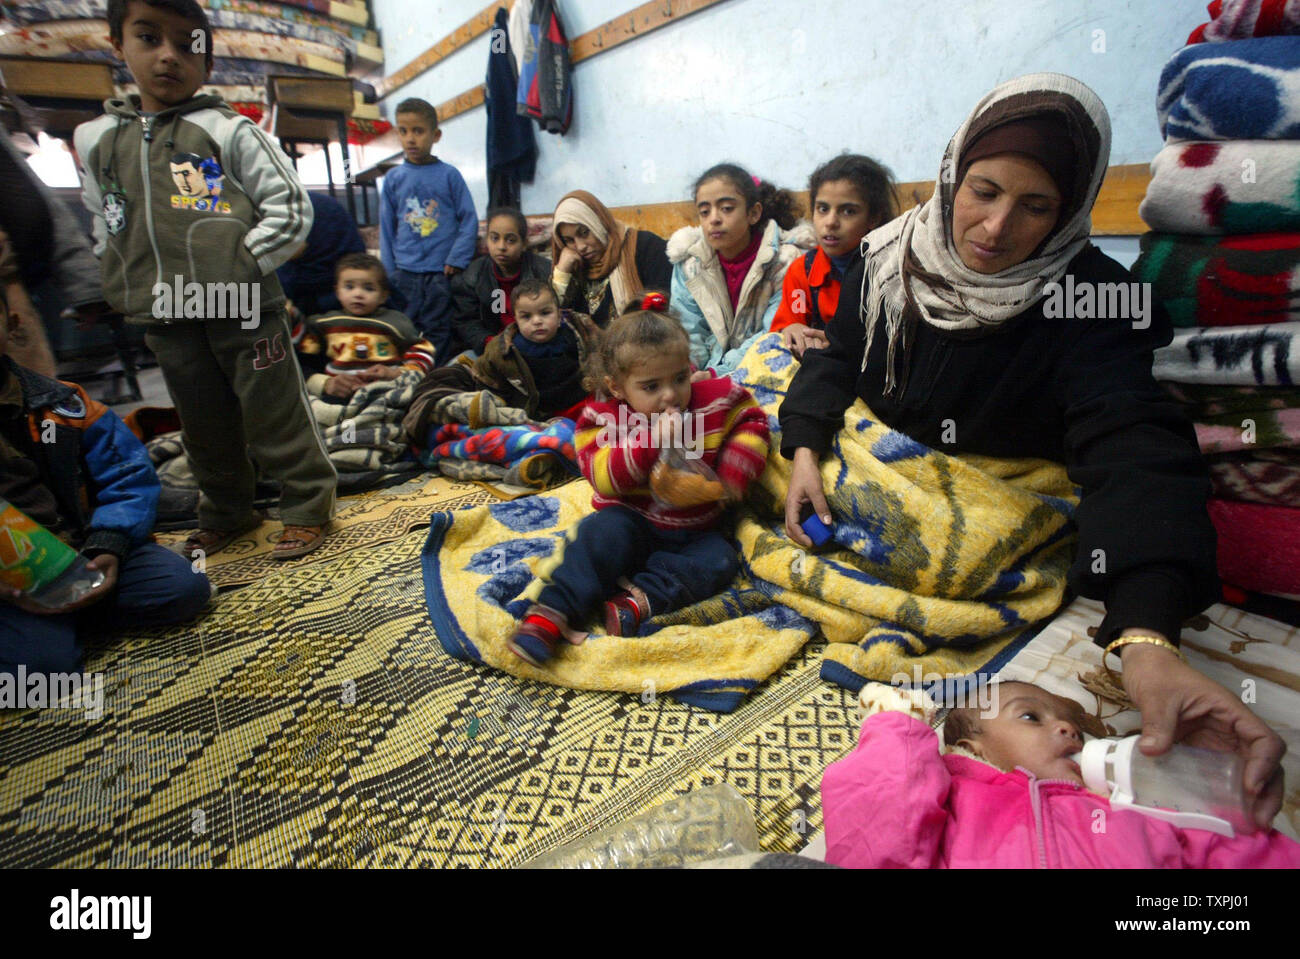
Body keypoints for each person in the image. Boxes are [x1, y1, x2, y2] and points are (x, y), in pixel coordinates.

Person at [780, 72, 1285, 826]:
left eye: (1036, 206)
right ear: (953, 173)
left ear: (1070, 209)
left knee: (993, 549)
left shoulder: (1089, 301)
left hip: (978, 486)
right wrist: (802, 445)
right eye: (983, 190)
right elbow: (834, 357)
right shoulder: (887, 258)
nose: (995, 226)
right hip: (864, 453)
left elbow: (1132, 439)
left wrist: (1146, 632)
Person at [75, 0, 336, 561]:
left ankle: (308, 505)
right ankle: (226, 510)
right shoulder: (95, 140)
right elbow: (104, 220)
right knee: (201, 421)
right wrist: (120, 273)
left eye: (187, 42)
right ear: (117, 44)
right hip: (165, 313)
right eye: (148, 37)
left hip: (243, 307)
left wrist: (239, 268)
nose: (169, 55)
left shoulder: (226, 130)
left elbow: (290, 211)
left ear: (208, 60)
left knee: (275, 411)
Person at [507, 294, 770, 665]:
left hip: (696, 528)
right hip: (632, 520)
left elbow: (752, 420)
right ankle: (551, 614)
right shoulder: (602, 419)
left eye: (680, 378)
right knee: (597, 535)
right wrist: (652, 441)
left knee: (720, 560)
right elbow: (602, 478)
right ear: (617, 388)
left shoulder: (715, 398)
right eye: (650, 386)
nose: (670, 395)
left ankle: (638, 600)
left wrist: (733, 471)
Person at [821, 681, 1300, 868]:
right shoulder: (956, 797)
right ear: (972, 747)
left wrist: (1226, 801)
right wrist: (896, 730)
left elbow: (1237, 858)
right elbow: (878, 839)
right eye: (1031, 717)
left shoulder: (1133, 806)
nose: (1069, 728)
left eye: (1075, 727)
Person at [0, 285, 212, 678]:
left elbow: (127, 476)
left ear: (11, 325)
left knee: (185, 588)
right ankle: (54, 627)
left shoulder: (62, 404)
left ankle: (66, 616)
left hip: (81, 548)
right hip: (10, 583)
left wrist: (109, 545)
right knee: (42, 669)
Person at [668, 163, 815, 378]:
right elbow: (687, 329)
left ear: (753, 213)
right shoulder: (690, 265)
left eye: (726, 208)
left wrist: (715, 373)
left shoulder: (787, 260)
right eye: (704, 211)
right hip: (705, 373)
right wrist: (686, 372)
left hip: (766, 369)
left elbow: (774, 333)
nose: (714, 219)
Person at [379, 97, 479, 363]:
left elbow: (469, 219)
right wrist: (389, 271)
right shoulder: (393, 179)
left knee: (439, 329)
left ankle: (436, 378)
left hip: (440, 272)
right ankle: (404, 376)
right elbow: (387, 228)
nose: (410, 139)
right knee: (403, 328)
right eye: (403, 131)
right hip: (405, 272)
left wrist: (457, 258)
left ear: (435, 135)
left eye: (418, 131)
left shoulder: (449, 175)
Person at [770, 154, 898, 359]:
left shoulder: (892, 272)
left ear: (873, 217)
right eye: (822, 209)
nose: (830, 222)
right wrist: (792, 328)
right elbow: (792, 319)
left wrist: (844, 344)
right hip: (820, 363)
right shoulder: (803, 270)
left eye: (848, 211)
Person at [295, 253, 437, 401]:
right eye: (349, 287)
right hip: (341, 393)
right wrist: (292, 317)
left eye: (368, 288)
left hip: (386, 392)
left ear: (383, 296)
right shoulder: (326, 323)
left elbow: (422, 349)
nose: (358, 294)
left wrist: (399, 372)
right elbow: (306, 346)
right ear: (337, 292)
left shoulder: (395, 322)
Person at [471, 277, 599, 421]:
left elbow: (603, 352)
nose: (537, 321)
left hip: (580, 401)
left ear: (558, 314)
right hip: (537, 413)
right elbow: (486, 378)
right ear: (516, 320)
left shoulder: (580, 330)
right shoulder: (502, 351)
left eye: (545, 313)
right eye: (526, 316)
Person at [550, 190, 672, 328]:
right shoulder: (575, 268)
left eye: (584, 232)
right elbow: (550, 321)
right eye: (569, 240)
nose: (580, 246)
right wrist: (561, 273)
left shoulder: (646, 247)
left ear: (598, 222)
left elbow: (663, 313)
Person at [449, 206, 551, 356]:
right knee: (453, 370)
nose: (501, 247)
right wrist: (491, 342)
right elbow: (466, 322)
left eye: (511, 240)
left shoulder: (544, 272)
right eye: (495, 238)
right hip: (491, 348)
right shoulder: (473, 276)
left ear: (524, 243)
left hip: (536, 345)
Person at [277, 192, 368, 321]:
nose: (276, 240)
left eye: (289, 231)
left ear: (319, 232)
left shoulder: (360, 290)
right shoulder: (278, 272)